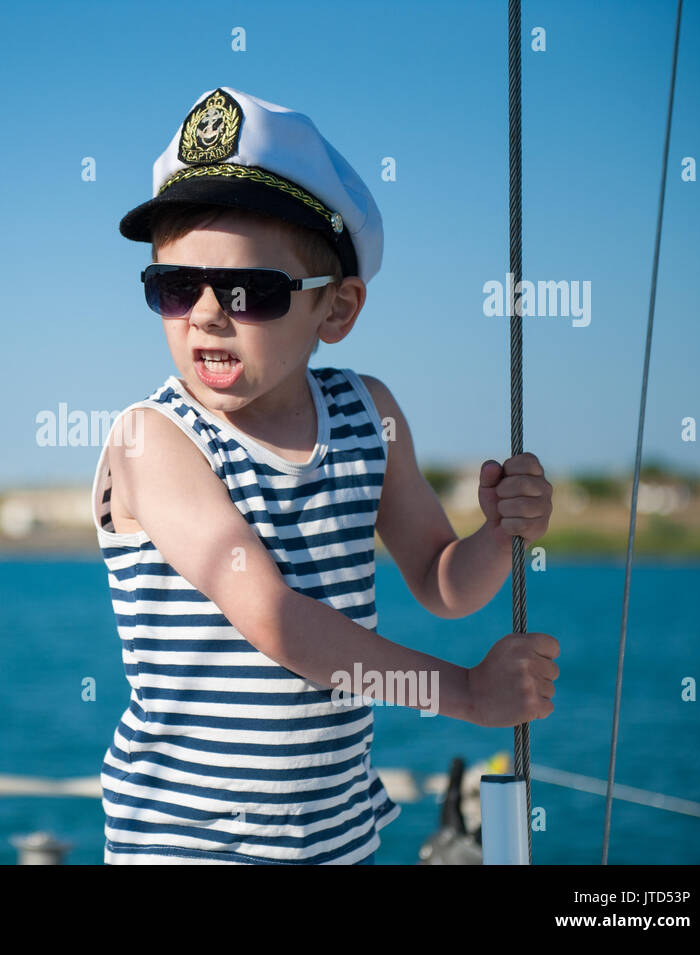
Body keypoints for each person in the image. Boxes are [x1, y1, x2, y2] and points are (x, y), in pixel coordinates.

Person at [90, 86, 559, 865]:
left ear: (335, 311)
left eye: (247, 292)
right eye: (175, 287)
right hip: (184, 846)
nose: (206, 313)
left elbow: (444, 584)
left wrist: (503, 531)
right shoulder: (152, 439)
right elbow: (274, 618)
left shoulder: (366, 413)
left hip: (334, 841)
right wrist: (466, 694)